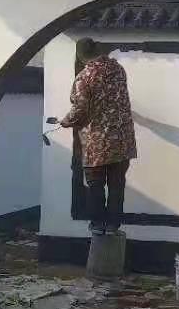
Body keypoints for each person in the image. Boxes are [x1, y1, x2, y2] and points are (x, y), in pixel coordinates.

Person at [56, 37, 137, 234]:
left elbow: (80, 109)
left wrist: (65, 121)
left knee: (95, 186)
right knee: (117, 185)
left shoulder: (84, 77)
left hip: (96, 144)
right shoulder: (119, 70)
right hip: (122, 140)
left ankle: (98, 225)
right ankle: (113, 225)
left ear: (81, 56)